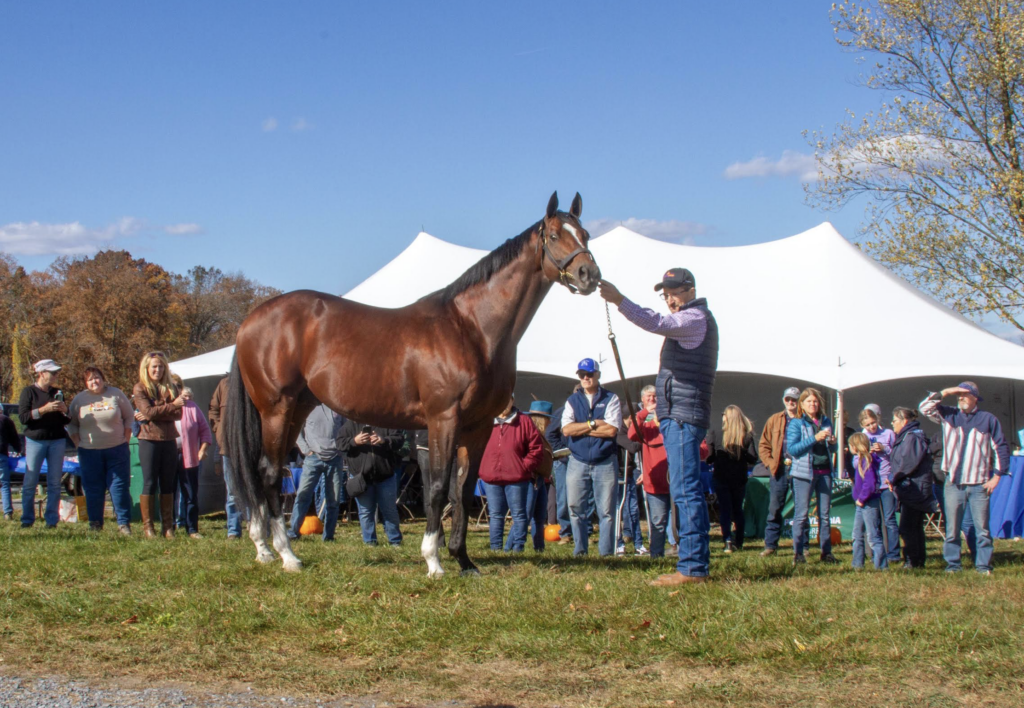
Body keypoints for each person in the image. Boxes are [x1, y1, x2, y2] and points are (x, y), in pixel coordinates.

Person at [599, 267, 719, 586]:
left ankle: (693, 568)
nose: (669, 299)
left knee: (685, 490)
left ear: (690, 290)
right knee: (683, 489)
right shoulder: (691, 320)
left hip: (682, 415)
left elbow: (657, 322)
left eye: (674, 292)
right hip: (676, 414)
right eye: (665, 294)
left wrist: (619, 301)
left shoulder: (694, 319)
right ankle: (692, 564)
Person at [920, 382, 1009, 575]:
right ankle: (953, 565)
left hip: (979, 484)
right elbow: (924, 408)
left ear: (975, 398)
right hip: (953, 483)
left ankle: (983, 566)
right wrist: (947, 391)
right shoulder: (948, 414)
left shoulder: (988, 419)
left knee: (982, 529)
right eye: (958, 395)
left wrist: (997, 477)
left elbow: (1000, 447)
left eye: (965, 395)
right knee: (951, 528)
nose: (960, 398)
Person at [560, 358, 623, 557]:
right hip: (577, 461)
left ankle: (606, 553)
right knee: (576, 509)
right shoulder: (572, 401)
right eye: (582, 375)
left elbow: (612, 431)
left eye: (589, 374)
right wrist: (593, 424)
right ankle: (580, 551)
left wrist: (582, 429)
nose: (586, 378)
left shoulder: (611, 398)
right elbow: (567, 430)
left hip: (605, 461)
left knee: (606, 511)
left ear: (598, 375)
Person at [66, 367, 134, 534]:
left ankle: (123, 524)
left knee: (118, 487)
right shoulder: (79, 399)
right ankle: (95, 524)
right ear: (85, 383)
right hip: (89, 452)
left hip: (117, 450)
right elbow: (71, 422)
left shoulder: (116, 394)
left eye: (97, 378)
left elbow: (129, 416)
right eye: (90, 379)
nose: (94, 382)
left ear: (103, 379)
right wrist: (76, 440)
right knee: (93, 488)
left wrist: (126, 438)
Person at [478, 396, 544, 552]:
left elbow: (536, 448)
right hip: (491, 477)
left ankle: (517, 548)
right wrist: (482, 466)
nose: (504, 404)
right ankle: (495, 549)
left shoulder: (524, 421)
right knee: (495, 515)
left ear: (512, 400)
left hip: (516, 478)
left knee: (519, 514)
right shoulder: (485, 421)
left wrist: (523, 466)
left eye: (507, 400)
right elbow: (477, 445)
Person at [132, 351, 184, 539]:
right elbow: (148, 412)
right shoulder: (140, 388)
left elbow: (179, 415)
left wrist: (156, 411)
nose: (158, 370)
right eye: (154, 366)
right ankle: (148, 528)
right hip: (148, 439)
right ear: (147, 368)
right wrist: (171, 406)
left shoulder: (171, 387)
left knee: (168, 483)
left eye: (161, 366)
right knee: (150, 482)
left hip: (169, 439)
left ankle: (168, 527)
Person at [786, 387, 839, 565]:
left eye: (815, 401)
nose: (812, 404)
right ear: (802, 404)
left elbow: (832, 449)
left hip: (824, 472)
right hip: (804, 474)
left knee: (824, 515)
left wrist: (833, 443)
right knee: (801, 515)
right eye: (809, 401)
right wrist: (814, 438)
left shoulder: (825, 421)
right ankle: (798, 554)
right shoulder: (797, 423)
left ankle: (826, 552)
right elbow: (793, 450)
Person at [17, 359, 71, 528]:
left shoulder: (57, 392)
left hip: (57, 440)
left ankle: (52, 520)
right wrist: (43, 410)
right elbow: (23, 417)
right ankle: (27, 519)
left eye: (57, 373)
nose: (56, 376)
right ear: (42, 374)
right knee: (30, 480)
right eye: (53, 373)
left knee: (55, 482)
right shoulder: (29, 392)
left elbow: (67, 420)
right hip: (35, 441)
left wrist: (65, 410)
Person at [340, 418, 404, 546]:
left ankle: (395, 541)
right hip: (362, 477)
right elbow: (339, 443)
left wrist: (384, 440)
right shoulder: (351, 424)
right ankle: (370, 542)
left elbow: (400, 439)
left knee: (389, 510)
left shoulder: (386, 422)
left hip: (385, 475)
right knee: (365, 511)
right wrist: (354, 441)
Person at [288, 403, 347, 542]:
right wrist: (306, 450)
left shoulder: (337, 407)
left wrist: (340, 451)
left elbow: (345, 430)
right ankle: (293, 532)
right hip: (313, 458)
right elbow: (296, 430)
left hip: (334, 459)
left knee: (333, 499)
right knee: (303, 496)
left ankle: (329, 536)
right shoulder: (307, 406)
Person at [889, 406, 939, 569]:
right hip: (910, 486)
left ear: (904, 421)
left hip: (914, 487)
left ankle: (912, 560)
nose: (892, 424)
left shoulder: (912, 437)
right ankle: (917, 560)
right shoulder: (907, 436)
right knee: (914, 526)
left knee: (908, 526)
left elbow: (908, 463)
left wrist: (893, 478)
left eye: (895, 420)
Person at [705, 405, 757, 553]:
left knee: (725, 510)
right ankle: (739, 541)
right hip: (739, 478)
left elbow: (709, 458)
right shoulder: (747, 435)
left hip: (721, 476)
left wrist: (717, 455)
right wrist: (741, 453)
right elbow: (753, 458)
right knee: (738, 510)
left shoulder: (715, 433)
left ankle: (727, 540)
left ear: (726, 418)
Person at [627, 385, 671, 557]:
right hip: (655, 481)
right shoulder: (646, 424)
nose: (652, 400)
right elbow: (632, 435)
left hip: (674, 480)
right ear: (643, 400)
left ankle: (685, 554)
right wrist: (644, 412)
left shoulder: (670, 423)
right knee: (658, 521)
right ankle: (656, 555)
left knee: (680, 522)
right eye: (649, 397)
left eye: (655, 397)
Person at [758, 387, 801, 557]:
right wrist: (769, 463)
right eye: (788, 399)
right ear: (783, 399)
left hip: (799, 470)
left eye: (794, 400)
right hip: (779, 469)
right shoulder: (774, 420)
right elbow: (763, 445)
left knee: (801, 509)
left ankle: (802, 546)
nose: (791, 402)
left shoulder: (804, 420)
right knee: (775, 508)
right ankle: (770, 545)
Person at [170, 375, 212, 538]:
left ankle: (192, 528)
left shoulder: (192, 407)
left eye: (177, 386)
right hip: (169, 457)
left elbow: (205, 431)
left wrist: (202, 449)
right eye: (171, 386)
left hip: (189, 457)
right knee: (169, 493)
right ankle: (170, 527)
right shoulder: (164, 407)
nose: (174, 389)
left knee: (190, 493)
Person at [208, 375, 247, 539]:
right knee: (232, 492)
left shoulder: (253, 380)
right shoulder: (224, 384)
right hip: (228, 447)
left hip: (249, 447)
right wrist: (219, 432)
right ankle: (233, 530)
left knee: (254, 489)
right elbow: (213, 410)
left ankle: (255, 526)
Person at [860, 406, 900, 564]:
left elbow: (897, 454)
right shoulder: (862, 436)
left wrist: (884, 448)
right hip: (871, 484)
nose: (871, 427)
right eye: (868, 425)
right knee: (873, 521)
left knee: (889, 519)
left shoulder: (888, 433)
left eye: (873, 423)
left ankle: (894, 554)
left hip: (886, 481)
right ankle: (877, 553)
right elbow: (857, 458)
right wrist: (867, 451)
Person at [516, 400, 554, 552]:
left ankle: (539, 547)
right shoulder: (529, 433)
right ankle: (514, 546)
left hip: (541, 478)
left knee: (539, 516)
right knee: (524, 515)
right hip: (531, 478)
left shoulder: (543, 436)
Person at [848, 432, 886, 570]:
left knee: (873, 536)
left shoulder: (866, 461)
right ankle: (857, 564)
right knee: (857, 534)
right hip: (861, 503)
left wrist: (862, 498)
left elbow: (869, 484)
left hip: (868, 503)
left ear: (855, 446)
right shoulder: (861, 460)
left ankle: (881, 566)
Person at [545, 398, 574, 544]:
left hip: (583, 459)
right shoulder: (563, 411)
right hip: (564, 460)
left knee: (584, 496)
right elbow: (550, 434)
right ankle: (565, 531)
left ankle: (585, 530)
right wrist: (561, 450)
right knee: (563, 496)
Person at [1, 406, 21, 521]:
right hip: (1, 455)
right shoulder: (6, 420)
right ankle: (7, 512)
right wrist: (18, 450)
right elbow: (14, 438)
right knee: (4, 485)